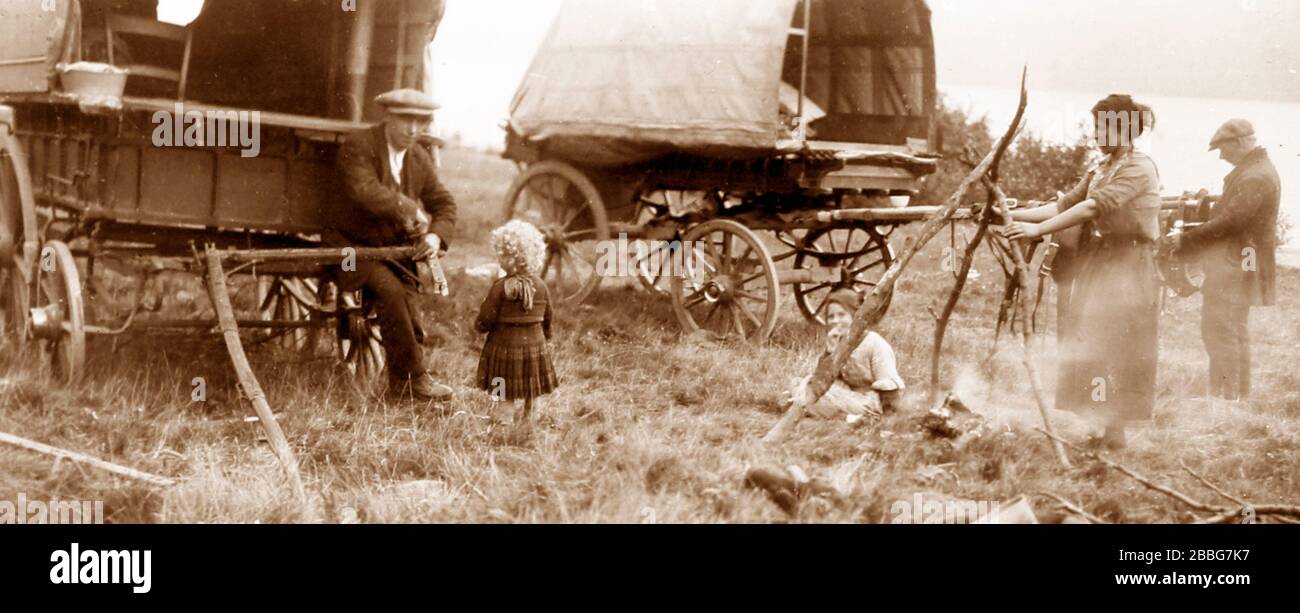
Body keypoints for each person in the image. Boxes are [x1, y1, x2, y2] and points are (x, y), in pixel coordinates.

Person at [1004, 94, 1162, 450]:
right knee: (1092, 337)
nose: (1095, 134)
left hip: (1130, 264)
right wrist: (1011, 217)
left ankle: (1115, 432)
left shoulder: (1139, 168)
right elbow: (1063, 205)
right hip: (1103, 261)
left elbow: (1093, 207)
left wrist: (1037, 232)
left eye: (1101, 127)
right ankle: (1100, 422)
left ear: (1122, 129)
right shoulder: (1102, 168)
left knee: (1118, 342)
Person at [331, 88, 458, 403]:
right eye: (405, 120)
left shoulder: (418, 157)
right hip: (351, 248)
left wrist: (435, 236)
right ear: (387, 116)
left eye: (420, 122)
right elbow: (365, 190)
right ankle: (412, 381)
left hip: (395, 250)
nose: (413, 130)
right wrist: (409, 208)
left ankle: (405, 382)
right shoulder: (358, 145)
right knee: (391, 292)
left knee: (410, 299)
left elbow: (444, 203)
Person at [1165, 119, 1280, 400]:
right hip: (1243, 263)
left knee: (1220, 329)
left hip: (1236, 265)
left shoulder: (1254, 176)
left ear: (1239, 142)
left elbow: (1231, 222)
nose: (1220, 155)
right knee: (1233, 329)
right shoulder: (1255, 170)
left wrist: (1186, 239)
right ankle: (1234, 397)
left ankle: (1226, 398)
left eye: (1222, 149)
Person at [475, 220, 559, 421]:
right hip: (535, 344)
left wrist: (480, 326)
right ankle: (531, 412)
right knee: (532, 381)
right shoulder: (541, 286)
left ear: (508, 258)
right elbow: (548, 315)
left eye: (500, 255)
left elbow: (486, 317)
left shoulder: (499, 288)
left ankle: (504, 415)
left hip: (504, 345)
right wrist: (547, 335)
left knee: (502, 383)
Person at [786, 289, 905, 421]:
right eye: (831, 317)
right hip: (845, 394)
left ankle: (843, 415)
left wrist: (888, 418)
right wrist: (830, 352)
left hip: (870, 401)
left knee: (809, 394)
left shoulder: (874, 343)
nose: (835, 320)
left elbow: (890, 390)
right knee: (799, 383)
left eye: (842, 315)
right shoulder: (837, 341)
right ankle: (845, 416)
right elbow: (820, 380)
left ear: (854, 316)